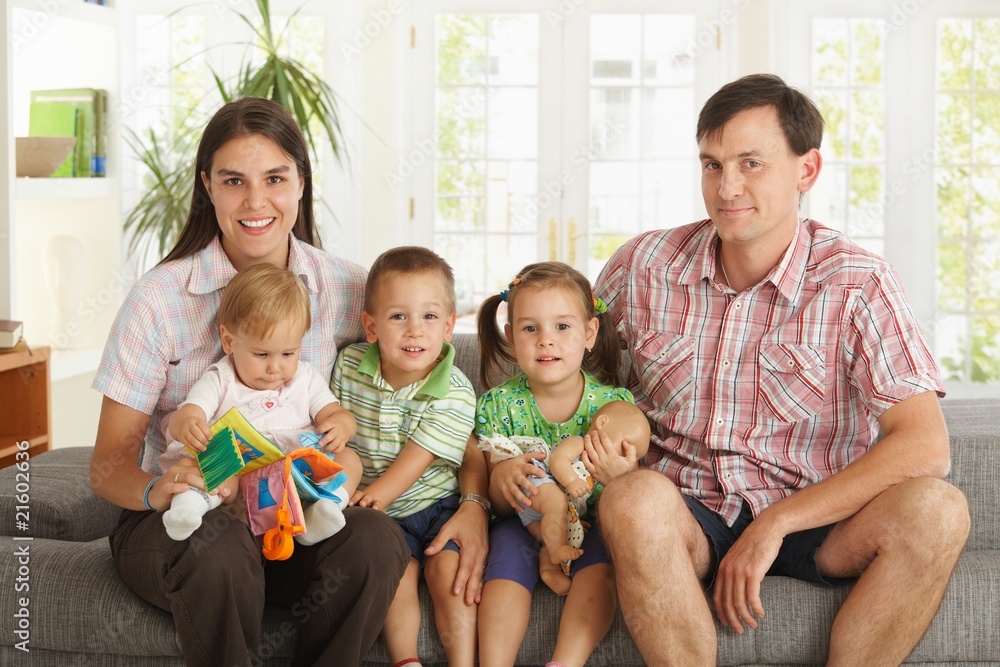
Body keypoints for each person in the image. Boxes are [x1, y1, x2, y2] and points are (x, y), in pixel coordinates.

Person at [591, 73, 971, 666]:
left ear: (807, 170)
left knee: (940, 509)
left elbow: (925, 445)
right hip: (683, 513)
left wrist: (775, 524)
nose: (727, 188)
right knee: (634, 499)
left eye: (751, 164)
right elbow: (565, 382)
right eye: (712, 166)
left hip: (817, 517)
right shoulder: (642, 265)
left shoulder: (857, 281)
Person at [89, 97, 409, 666]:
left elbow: (425, 372)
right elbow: (107, 465)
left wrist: (472, 501)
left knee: (375, 540)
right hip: (182, 526)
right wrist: (155, 490)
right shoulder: (159, 301)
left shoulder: (347, 289)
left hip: (289, 518)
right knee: (221, 545)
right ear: (207, 186)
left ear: (302, 184)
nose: (256, 201)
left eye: (275, 178)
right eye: (234, 180)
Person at [475, 261, 641, 667]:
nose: (546, 340)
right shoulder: (496, 405)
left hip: (593, 526)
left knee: (601, 569)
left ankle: (565, 661)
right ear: (511, 338)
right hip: (522, 523)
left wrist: (623, 474)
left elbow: (634, 488)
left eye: (562, 327)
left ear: (589, 334)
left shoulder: (614, 406)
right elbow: (495, 503)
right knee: (503, 570)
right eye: (530, 329)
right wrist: (503, 478)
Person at [332, 246, 478, 667]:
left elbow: (420, 455)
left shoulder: (454, 390)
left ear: (449, 326)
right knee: (396, 579)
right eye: (398, 317)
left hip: (433, 505)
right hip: (376, 515)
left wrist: (370, 498)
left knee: (447, 576)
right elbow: (334, 430)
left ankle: (464, 663)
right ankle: (405, 662)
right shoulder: (349, 366)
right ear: (371, 326)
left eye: (429, 317)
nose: (415, 330)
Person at [160, 263, 362, 544]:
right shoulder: (222, 379)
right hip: (239, 484)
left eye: (288, 353)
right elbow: (190, 411)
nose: (275, 368)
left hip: (297, 479)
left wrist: (341, 426)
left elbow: (337, 413)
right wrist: (187, 425)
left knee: (350, 460)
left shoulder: (305, 378)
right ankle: (189, 508)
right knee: (201, 467)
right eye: (262, 354)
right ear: (229, 341)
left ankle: (326, 508)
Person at [477, 399, 650, 596]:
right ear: (602, 423)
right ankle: (558, 547)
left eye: (633, 457)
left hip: (541, 513)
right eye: (625, 448)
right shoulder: (578, 444)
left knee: (552, 535)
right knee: (557, 503)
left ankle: (549, 568)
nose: (624, 459)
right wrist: (571, 482)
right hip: (537, 482)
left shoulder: (602, 472)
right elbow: (559, 460)